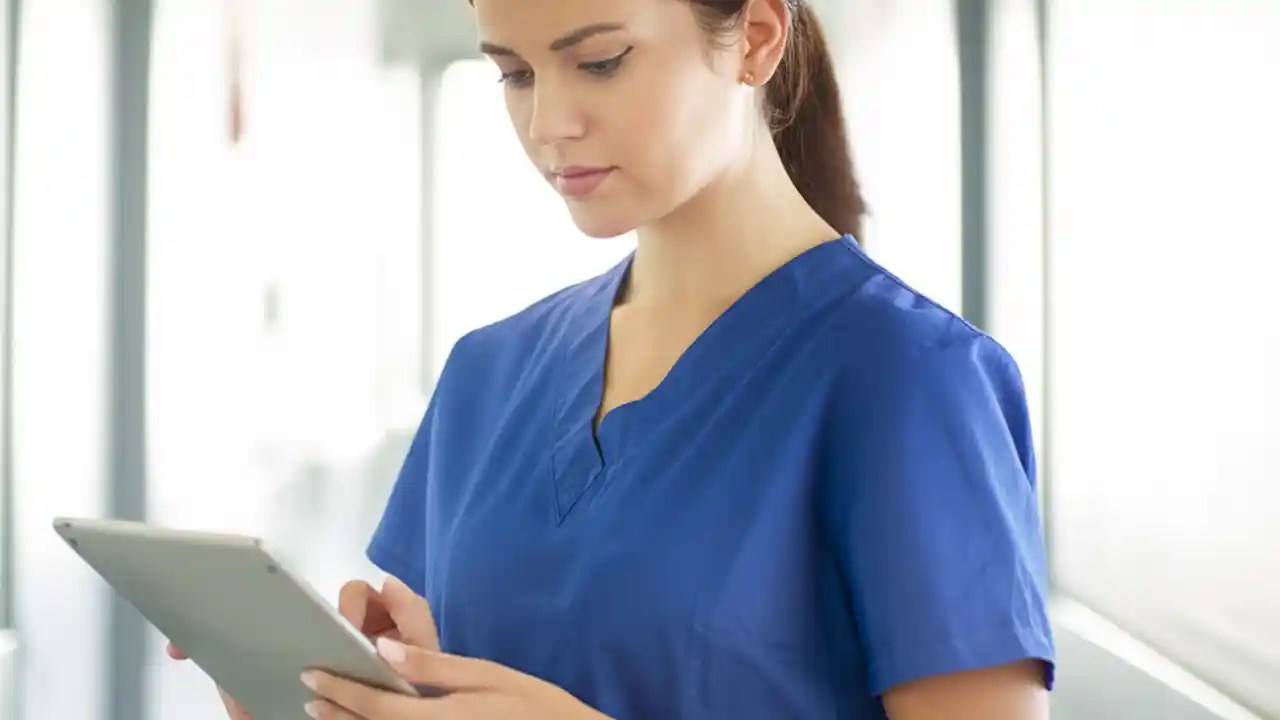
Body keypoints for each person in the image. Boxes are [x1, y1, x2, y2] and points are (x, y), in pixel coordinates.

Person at [170, 0, 1055, 717]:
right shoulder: (490, 372)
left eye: (599, 61)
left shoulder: (910, 381)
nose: (549, 123)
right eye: (513, 73)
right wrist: (336, 697)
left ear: (754, 38)